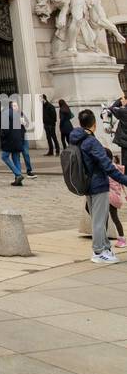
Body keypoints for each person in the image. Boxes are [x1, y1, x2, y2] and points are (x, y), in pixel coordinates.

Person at [70, 109, 127, 264]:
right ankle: (98, 252)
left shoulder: (77, 139)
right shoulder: (91, 142)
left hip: (86, 184)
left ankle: (106, 248)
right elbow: (107, 166)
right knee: (99, 220)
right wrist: (124, 179)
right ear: (94, 124)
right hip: (98, 184)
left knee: (98, 218)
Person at [0, 97, 26, 186]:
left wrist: (2, 136)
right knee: (16, 158)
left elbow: (5, 130)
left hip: (10, 140)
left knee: (4, 156)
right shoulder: (15, 113)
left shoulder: (5, 113)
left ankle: (18, 174)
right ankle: (18, 180)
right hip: (17, 139)